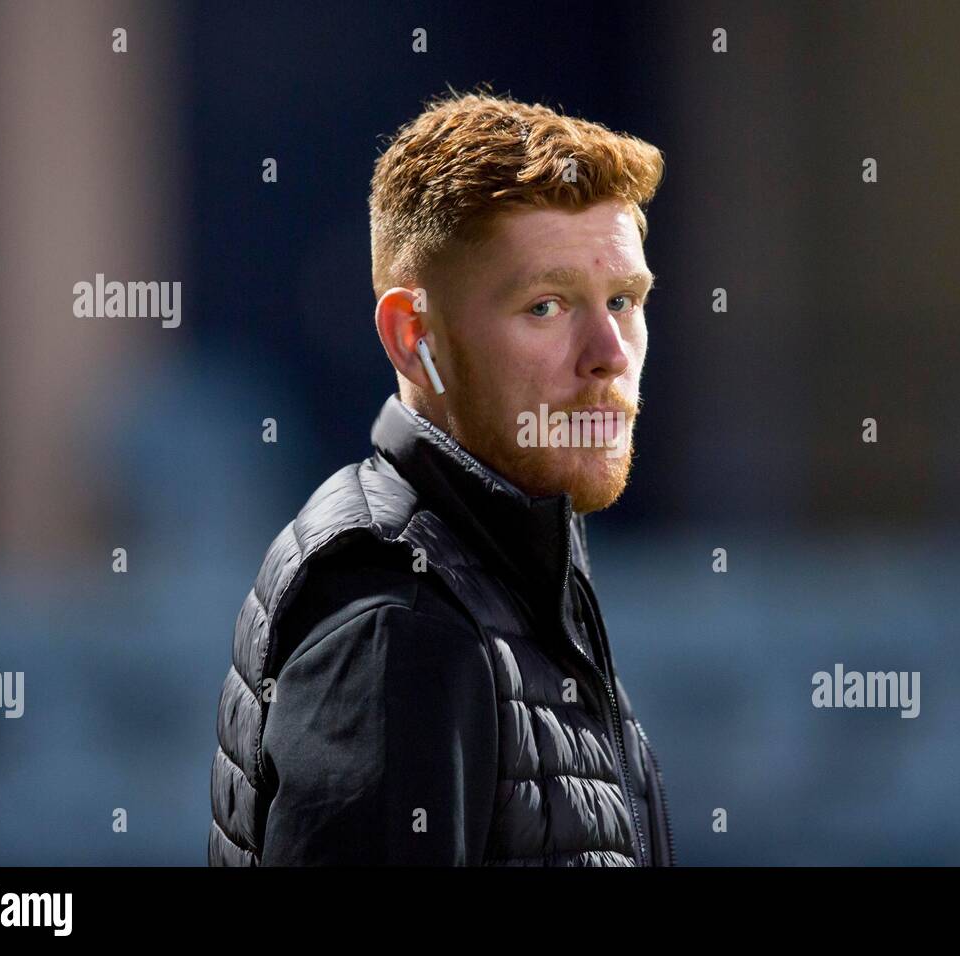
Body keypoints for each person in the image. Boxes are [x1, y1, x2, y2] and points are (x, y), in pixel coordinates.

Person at [208, 89, 674, 866]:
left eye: (624, 301)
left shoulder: (513, 579)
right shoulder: (397, 627)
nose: (609, 354)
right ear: (412, 336)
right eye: (547, 306)